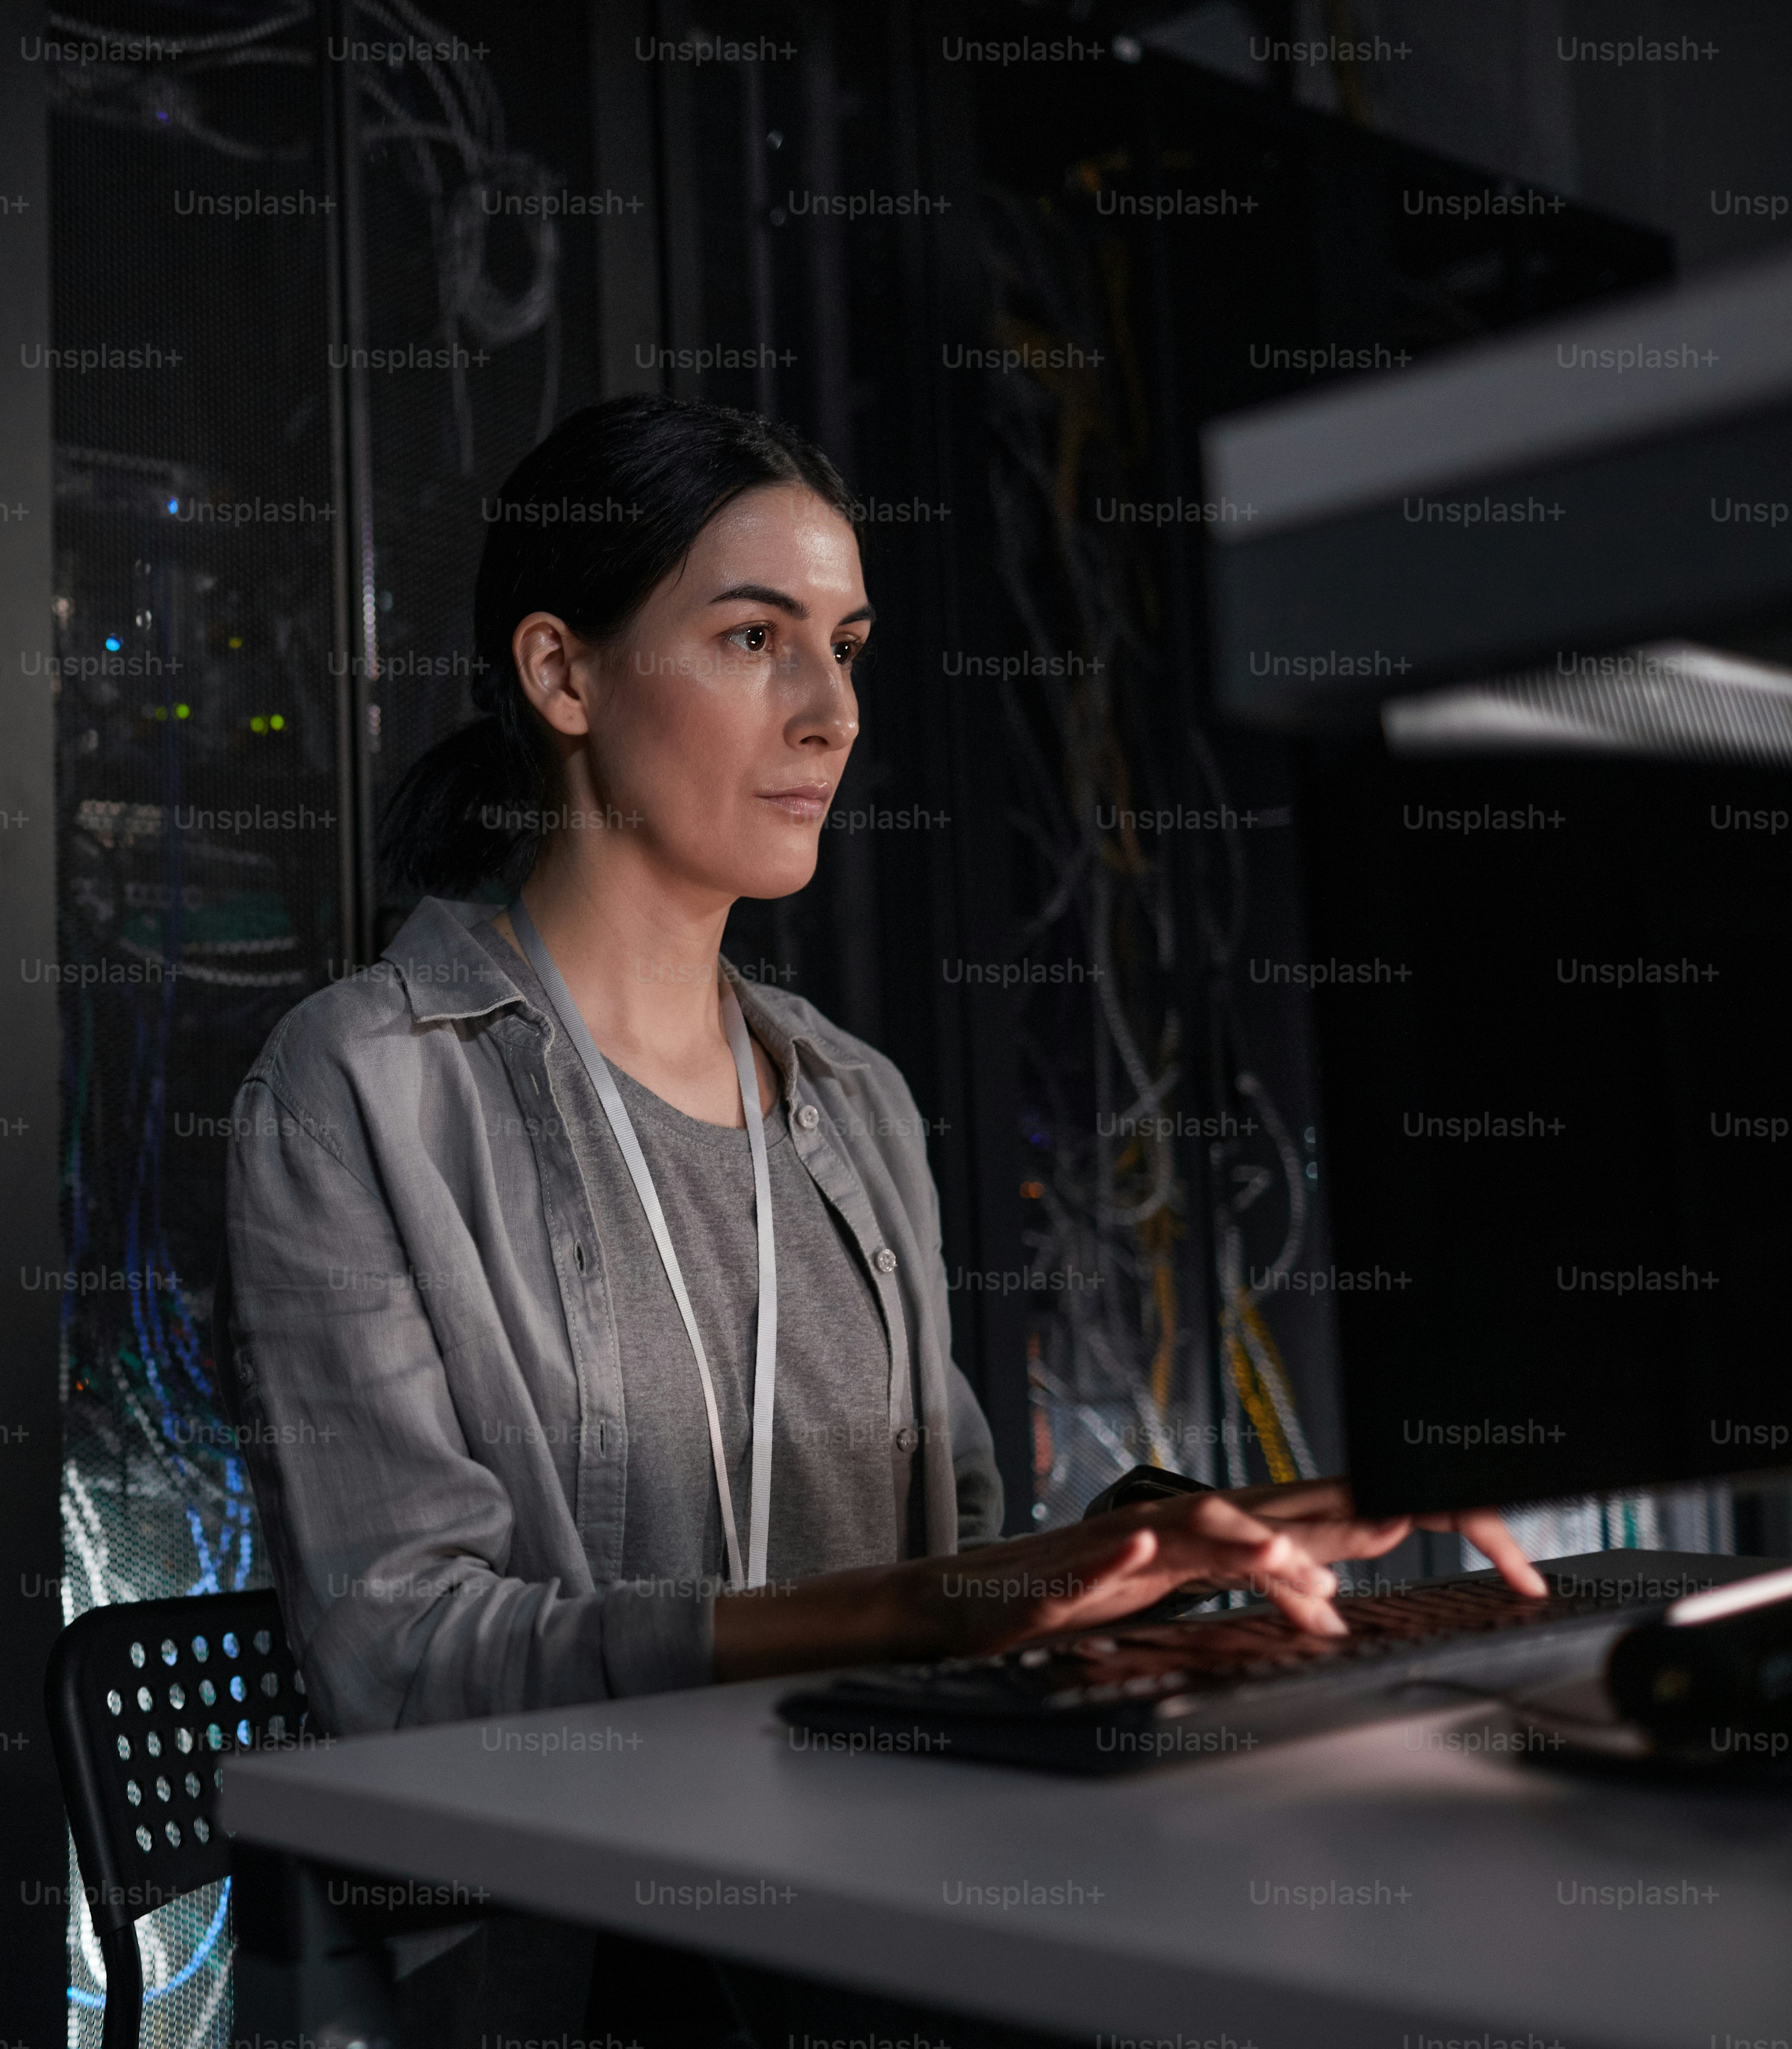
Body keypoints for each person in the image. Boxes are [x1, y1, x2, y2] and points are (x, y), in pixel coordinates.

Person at [221, 392, 1543, 2042]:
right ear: (563, 675)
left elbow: (971, 1567)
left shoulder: (852, 1097)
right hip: (587, 1974)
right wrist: (944, 1606)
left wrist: (1213, 1539)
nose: (832, 711)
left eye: (846, 646)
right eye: (755, 637)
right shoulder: (359, 1086)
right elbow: (404, 1661)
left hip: (897, 1916)